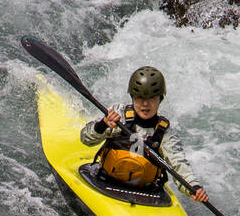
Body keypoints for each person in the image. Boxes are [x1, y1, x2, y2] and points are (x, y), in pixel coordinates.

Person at [80, 66, 209, 203]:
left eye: (151, 98)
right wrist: (103, 124)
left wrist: (194, 188)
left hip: (145, 194)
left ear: (160, 99)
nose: (145, 104)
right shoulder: (119, 115)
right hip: (103, 181)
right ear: (132, 97)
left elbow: (179, 166)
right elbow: (86, 139)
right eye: (140, 98)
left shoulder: (164, 133)